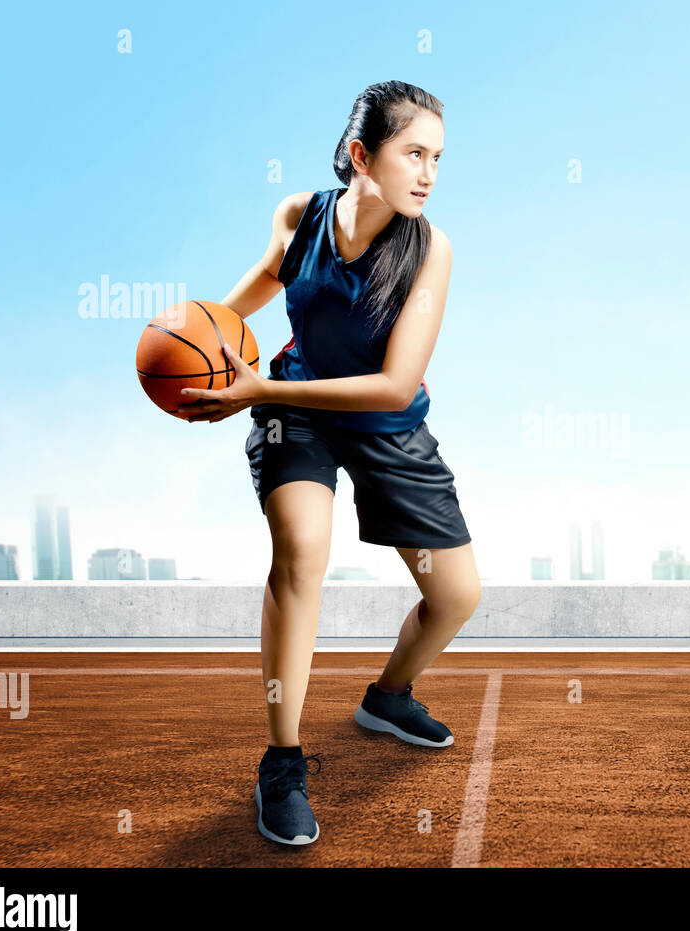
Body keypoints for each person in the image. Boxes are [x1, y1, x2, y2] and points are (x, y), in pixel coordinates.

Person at [178, 81, 481, 846]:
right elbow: (241, 302)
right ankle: (282, 762)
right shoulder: (299, 216)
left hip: (384, 423)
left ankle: (388, 695)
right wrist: (190, 344)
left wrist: (257, 382)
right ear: (360, 155)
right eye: (414, 152)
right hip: (296, 410)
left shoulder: (430, 249)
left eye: (437, 158)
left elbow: (395, 383)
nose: (428, 173)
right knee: (302, 553)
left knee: (457, 597)